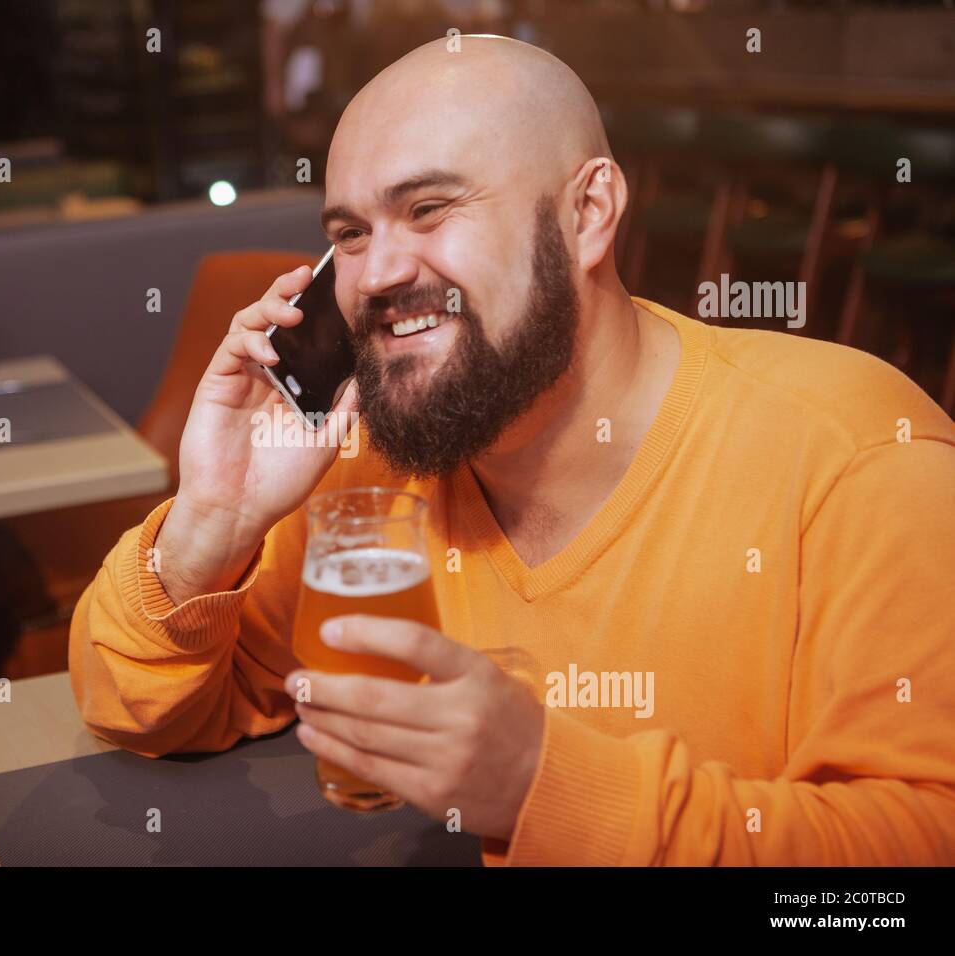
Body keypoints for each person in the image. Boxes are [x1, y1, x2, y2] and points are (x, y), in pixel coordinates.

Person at [68, 35, 955, 865]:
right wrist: (211, 525)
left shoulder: (859, 455)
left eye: (429, 208)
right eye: (350, 233)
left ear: (589, 213)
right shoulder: (368, 465)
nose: (376, 274)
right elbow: (137, 706)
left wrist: (543, 787)